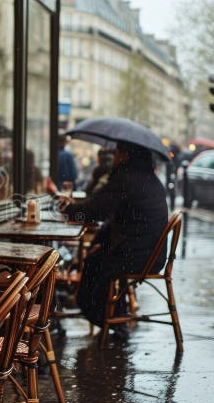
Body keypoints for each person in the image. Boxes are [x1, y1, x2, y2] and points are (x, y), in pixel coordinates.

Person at [55, 141, 168, 339]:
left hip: (138, 256)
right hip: (151, 254)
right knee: (96, 259)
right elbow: (114, 215)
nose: (113, 157)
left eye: (117, 153)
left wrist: (67, 209)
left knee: (93, 265)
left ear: (125, 156)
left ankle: (112, 320)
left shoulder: (126, 179)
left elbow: (96, 210)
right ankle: (117, 318)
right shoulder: (147, 178)